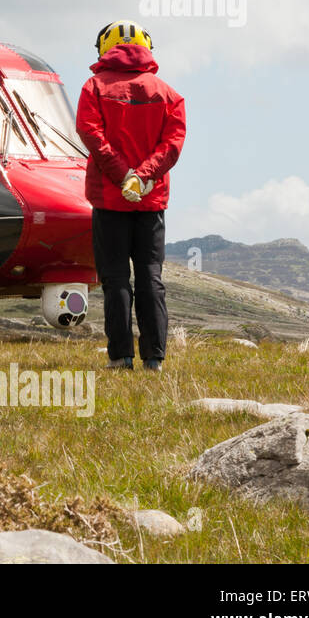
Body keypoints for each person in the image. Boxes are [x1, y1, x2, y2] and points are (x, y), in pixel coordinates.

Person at [75, 22, 186, 372]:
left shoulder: (93, 87)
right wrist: (143, 176)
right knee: (151, 276)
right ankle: (154, 358)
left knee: (116, 278)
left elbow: (90, 133)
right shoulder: (169, 95)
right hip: (151, 201)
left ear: (103, 48)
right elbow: (172, 145)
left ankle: (120, 357)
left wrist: (123, 176)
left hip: (109, 200)